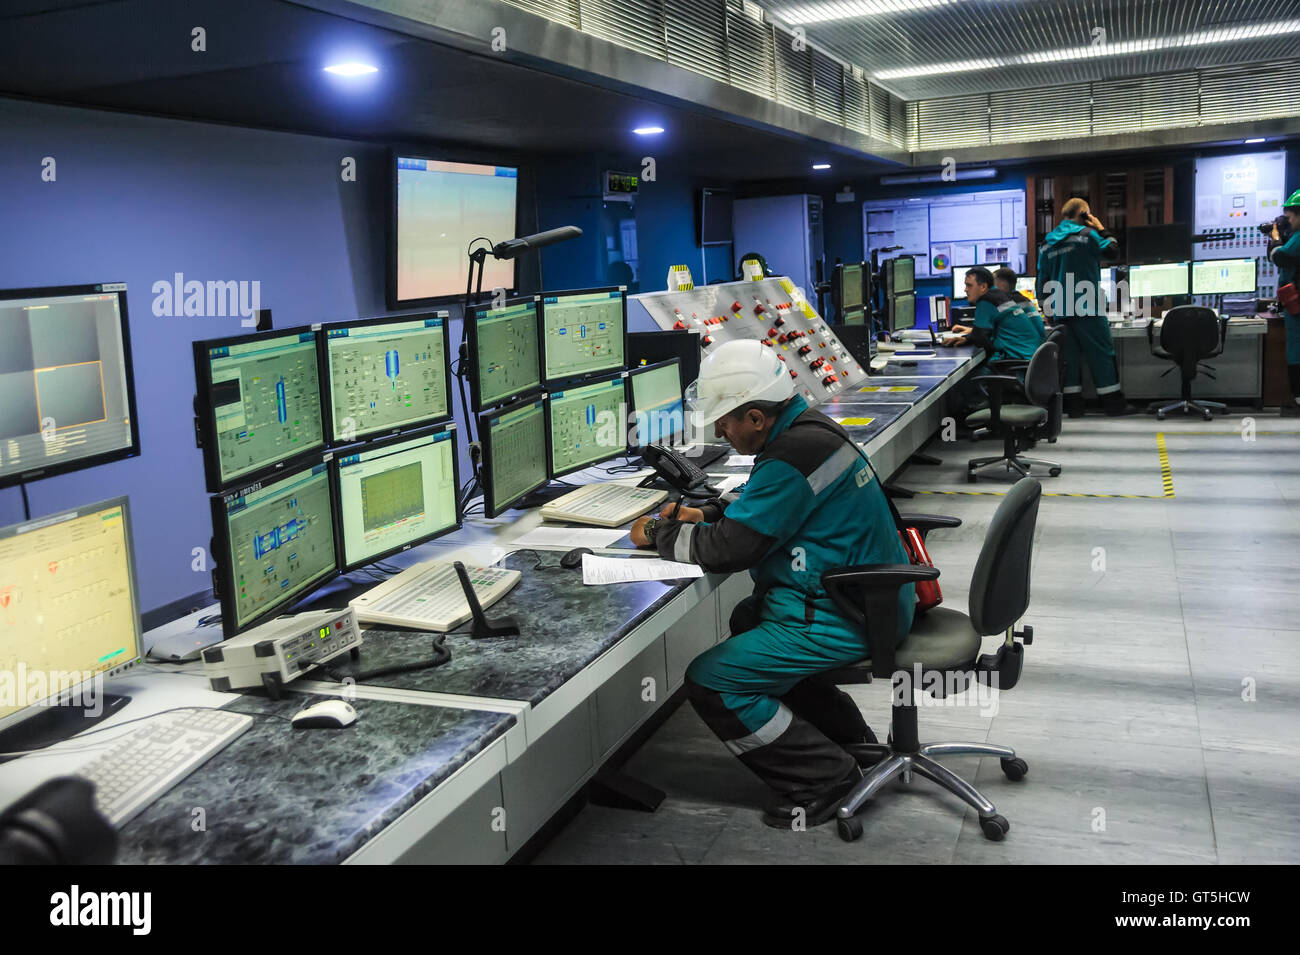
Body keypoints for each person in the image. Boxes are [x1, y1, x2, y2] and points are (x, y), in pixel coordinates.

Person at [628, 339, 913, 828]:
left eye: (726, 420)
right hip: (875, 596)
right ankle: (849, 742)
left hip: (842, 613)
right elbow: (769, 504)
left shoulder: (792, 454)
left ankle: (824, 777)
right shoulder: (807, 431)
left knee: (711, 681)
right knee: (748, 619)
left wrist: (658, 533)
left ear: (757, 418)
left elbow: (729, 550)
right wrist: (708, 511)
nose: (720, 431)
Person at [1036, 198, 1131, 416]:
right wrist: (1101, 228)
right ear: (1085, 214)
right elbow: (1113, 252)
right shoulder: (1088, 236)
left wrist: (1046, 309)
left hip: (1061, 309)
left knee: (1068, 359)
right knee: (1101, 356)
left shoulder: (1047, 244)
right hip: (1087, 307)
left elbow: (1042, 280)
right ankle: (1113, 405)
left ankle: (1073, 407)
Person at [1267, 189, 1300, 416]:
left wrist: (1275, 238)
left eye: (1289, 218)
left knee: (1296, 350)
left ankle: (1298, 400)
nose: (1288, 222)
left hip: (1297, 307)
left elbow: (1279, 256)